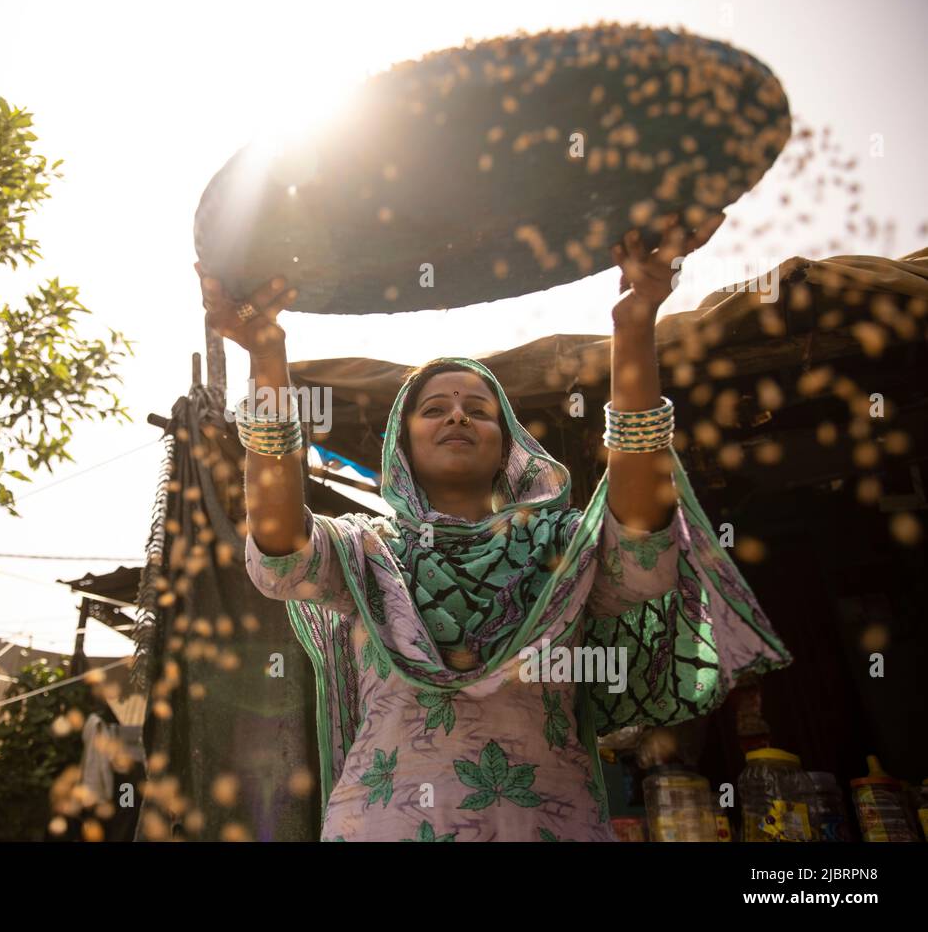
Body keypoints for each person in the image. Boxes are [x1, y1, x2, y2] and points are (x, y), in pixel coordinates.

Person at [197, 215, 793, 841]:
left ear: (509, 450)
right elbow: (280, 547)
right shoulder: (362, 552)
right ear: (402, 447)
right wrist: (267, 354)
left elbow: (644, 535)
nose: (457, 415)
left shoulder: (563, 547)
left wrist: (635, 322)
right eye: (434, 409)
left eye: (478, 410)